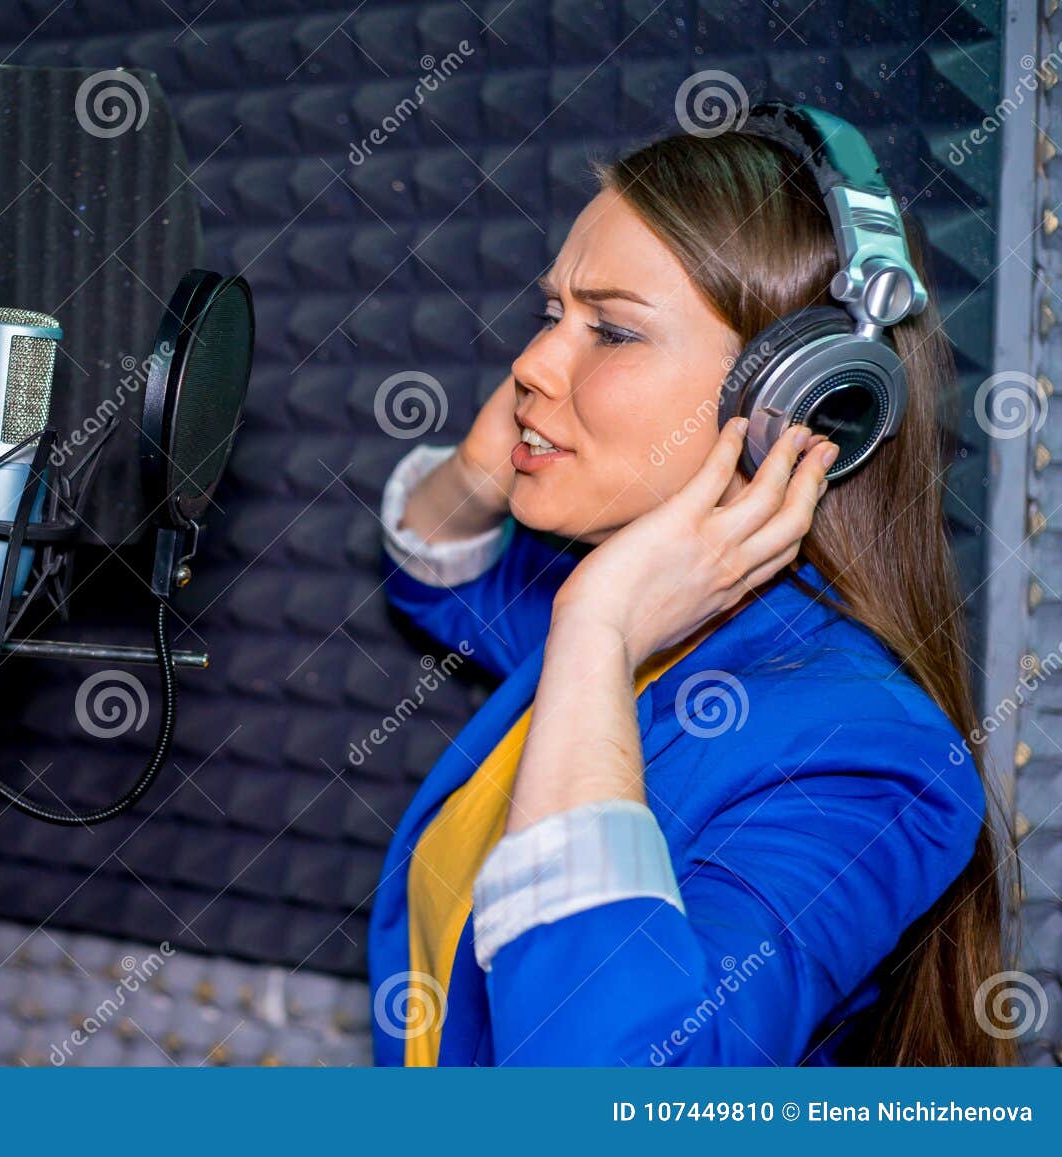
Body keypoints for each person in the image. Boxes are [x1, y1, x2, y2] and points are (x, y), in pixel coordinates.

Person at [366, 117, 1011, 1066]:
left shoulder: (864, 757)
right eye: (552, 314)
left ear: (794, 398)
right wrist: (478, 469)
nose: (531, 363)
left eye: (613, 330)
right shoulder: (645, 600)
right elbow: (436, 573)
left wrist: (597, 628)